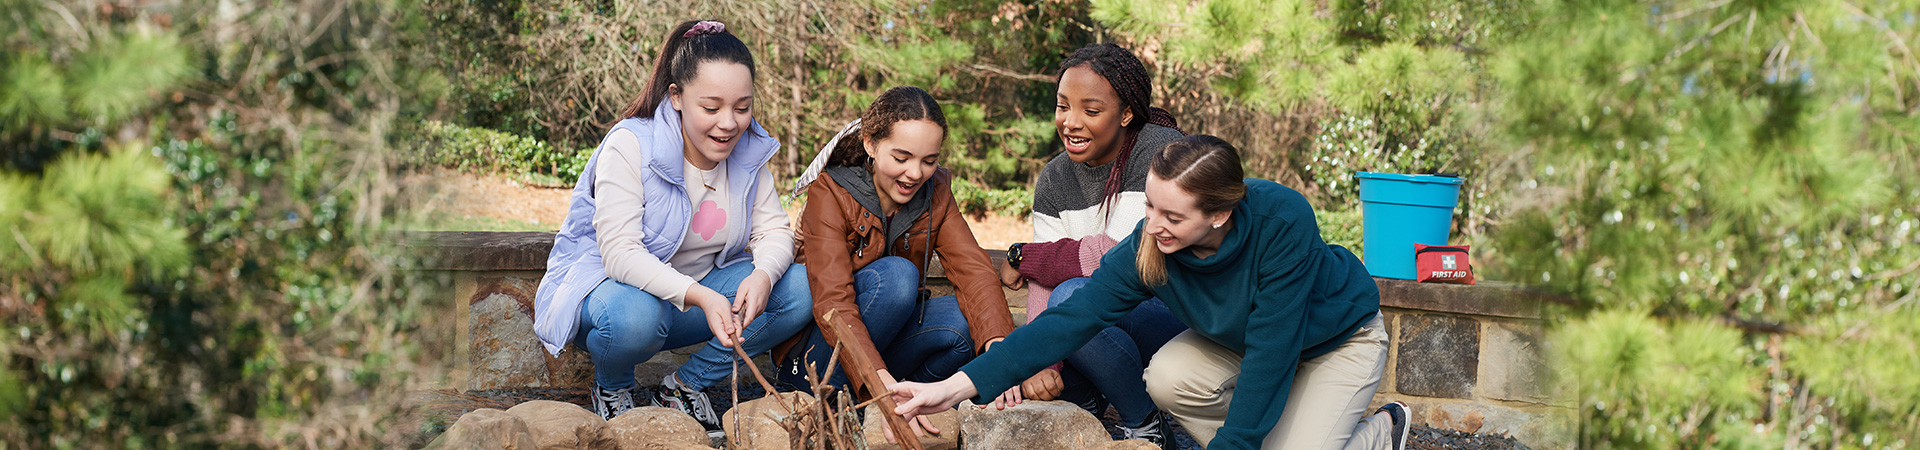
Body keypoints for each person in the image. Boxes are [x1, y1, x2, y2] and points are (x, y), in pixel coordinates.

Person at [890, 135, 1414, 450]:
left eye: (1172, 215)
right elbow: (1066, 324)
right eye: (1149, 208)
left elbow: (1271, 359)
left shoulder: (1281, 220)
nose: (1153, 226)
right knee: (1166, 377)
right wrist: (952, 388)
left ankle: (1381, 432)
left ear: (1219, 215)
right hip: (1244, 343)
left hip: (1335, 340)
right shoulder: (1151, 243)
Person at [530, 20, 812, 436]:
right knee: (636, 317)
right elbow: (620, 253)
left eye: (742, 107)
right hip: (616, 297)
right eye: (711, 108)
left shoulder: (748, 151)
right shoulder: (631, 145)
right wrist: (703, 296)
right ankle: (612, 388)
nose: (729, 123)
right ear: (677, 97)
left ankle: (683, 387)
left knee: (800, 287)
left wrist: (764, 275)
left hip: (700, 299)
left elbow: (773, 231)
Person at [774, 85, 1049, 443]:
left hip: (885, 350)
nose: (915, 173)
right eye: (901, 158)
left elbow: (973, 269)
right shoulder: (830, 191)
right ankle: (851, 398)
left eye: (929, 161)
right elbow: (832, 302)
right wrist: (876, 376)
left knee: (964, 329)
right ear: (871, 144)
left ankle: (905, 401)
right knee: (898, 278)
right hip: (816, 357)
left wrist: (999, 349)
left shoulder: (935, 193)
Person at [994, 42, 1189, 448]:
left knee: (1074, 295)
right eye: (1063, 106)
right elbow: (1042, 281)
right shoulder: (1053, 179)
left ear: (1127, 114)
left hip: (1173, 314)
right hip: (1103, 326)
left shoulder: (1157, 150)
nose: (1071, 121)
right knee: (1062, 327)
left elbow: (1113, 257)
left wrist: (1026, 256)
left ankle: (1146, 425)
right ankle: (1089, 403)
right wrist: (1038, 360)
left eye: (1091, 110)